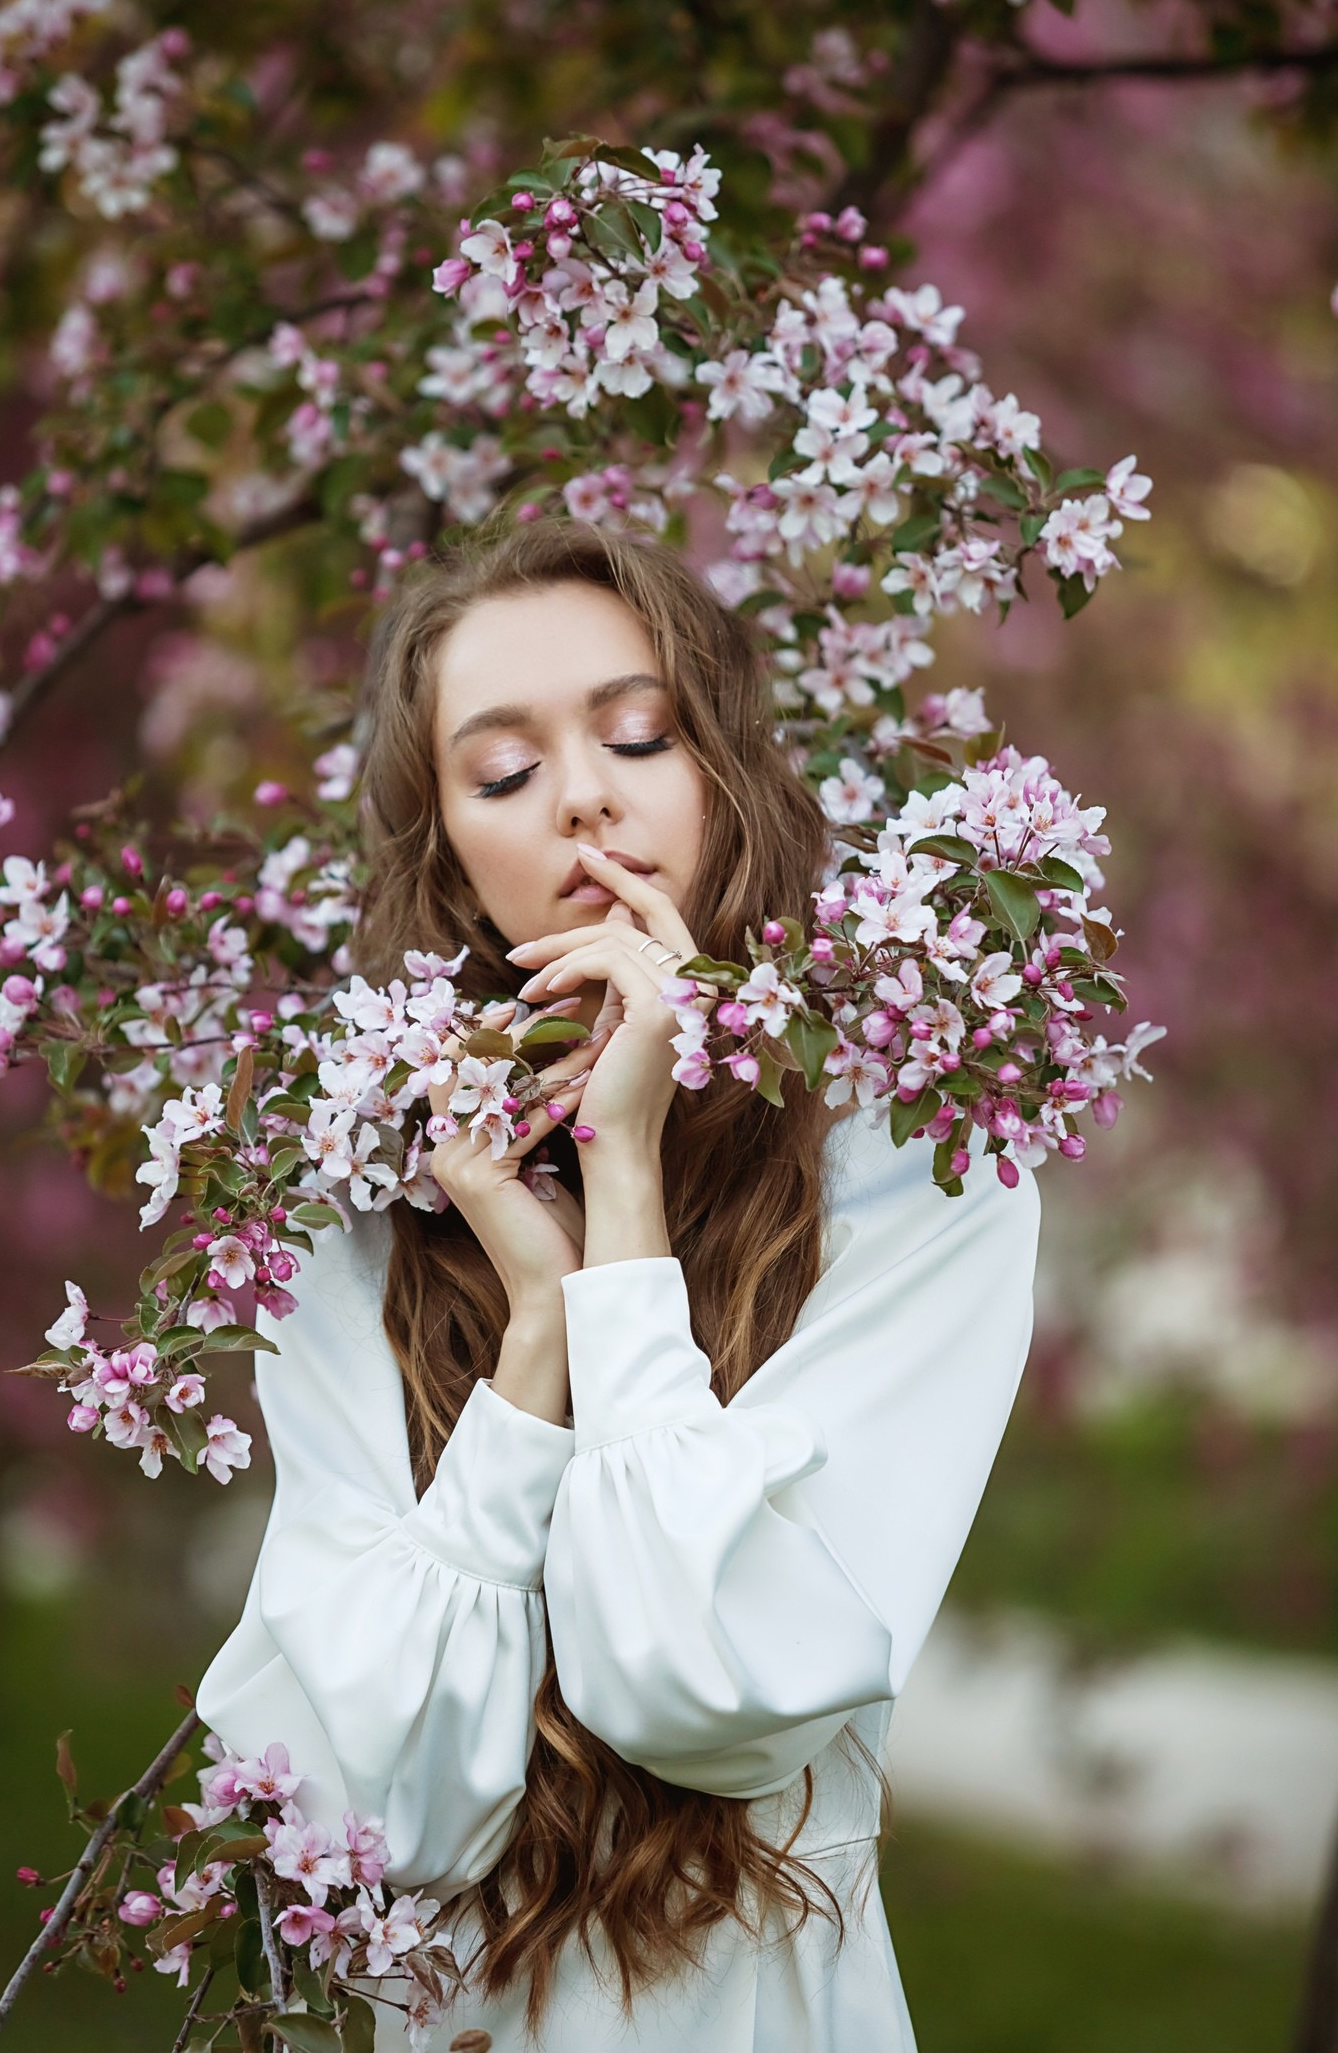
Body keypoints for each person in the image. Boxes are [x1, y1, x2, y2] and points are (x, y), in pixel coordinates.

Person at [196, 520, 1042, 2051]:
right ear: (450, 863)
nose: (585, 793)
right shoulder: (350, 1209)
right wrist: (534, 1335)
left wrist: (626, 1178)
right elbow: (368, 1814)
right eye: (505, 773)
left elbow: (703, 1687)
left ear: (728, 771)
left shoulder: (922, 1168)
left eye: (640, 734)